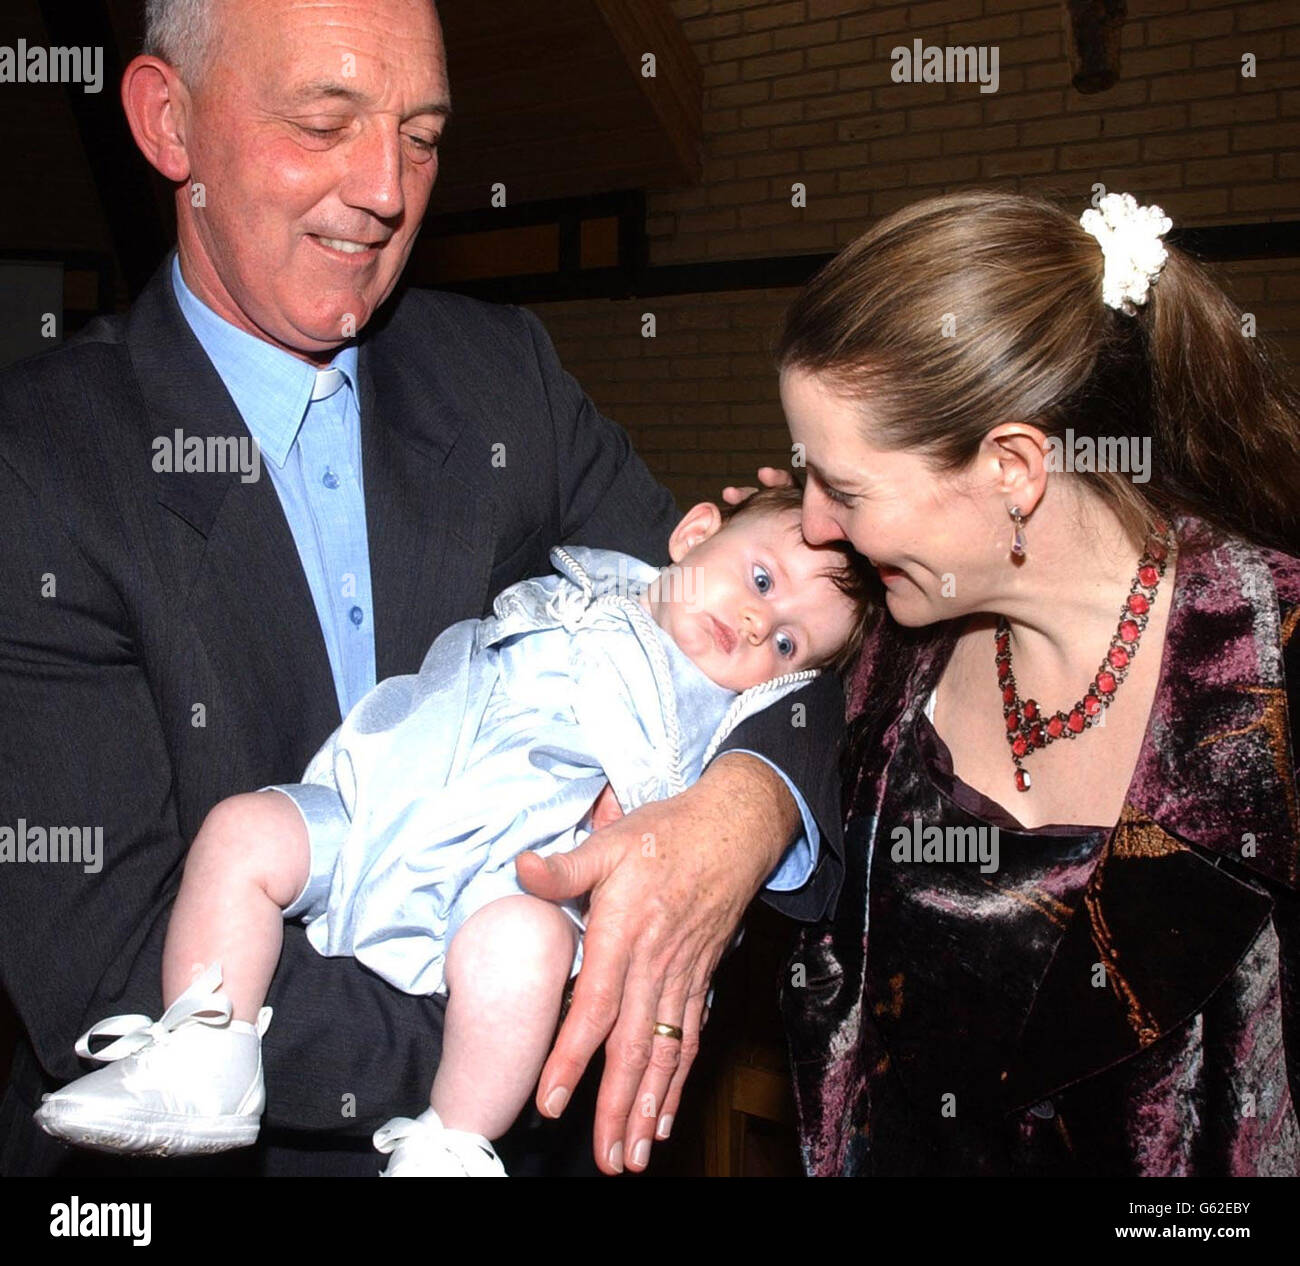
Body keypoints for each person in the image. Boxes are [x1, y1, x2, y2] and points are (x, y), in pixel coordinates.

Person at [0, 0, 848, 1177]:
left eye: (421, 136)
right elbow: (104, 956)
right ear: (168, 122)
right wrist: (516, 1034)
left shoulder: (503, 377)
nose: (387, 190)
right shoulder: (38, 467)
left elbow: (753, 613)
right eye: (324, 120)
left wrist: (746, 807)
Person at [34, 488, 873, 1175]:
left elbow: (821, 725)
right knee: (242, 830)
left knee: (521, 958)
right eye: (762, 580)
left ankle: (452, 1141)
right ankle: (205, 1045)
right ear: (693, 533)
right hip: (381, 808)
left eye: (790, 641)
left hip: (508, 880)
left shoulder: (720, 720)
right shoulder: (593, 575)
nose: (763, 624)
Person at [771, 188, 1300, 1175]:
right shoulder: (886, 644)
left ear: (1014, 465)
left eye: (842, 489)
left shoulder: (1272, 665)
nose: (810, 524)